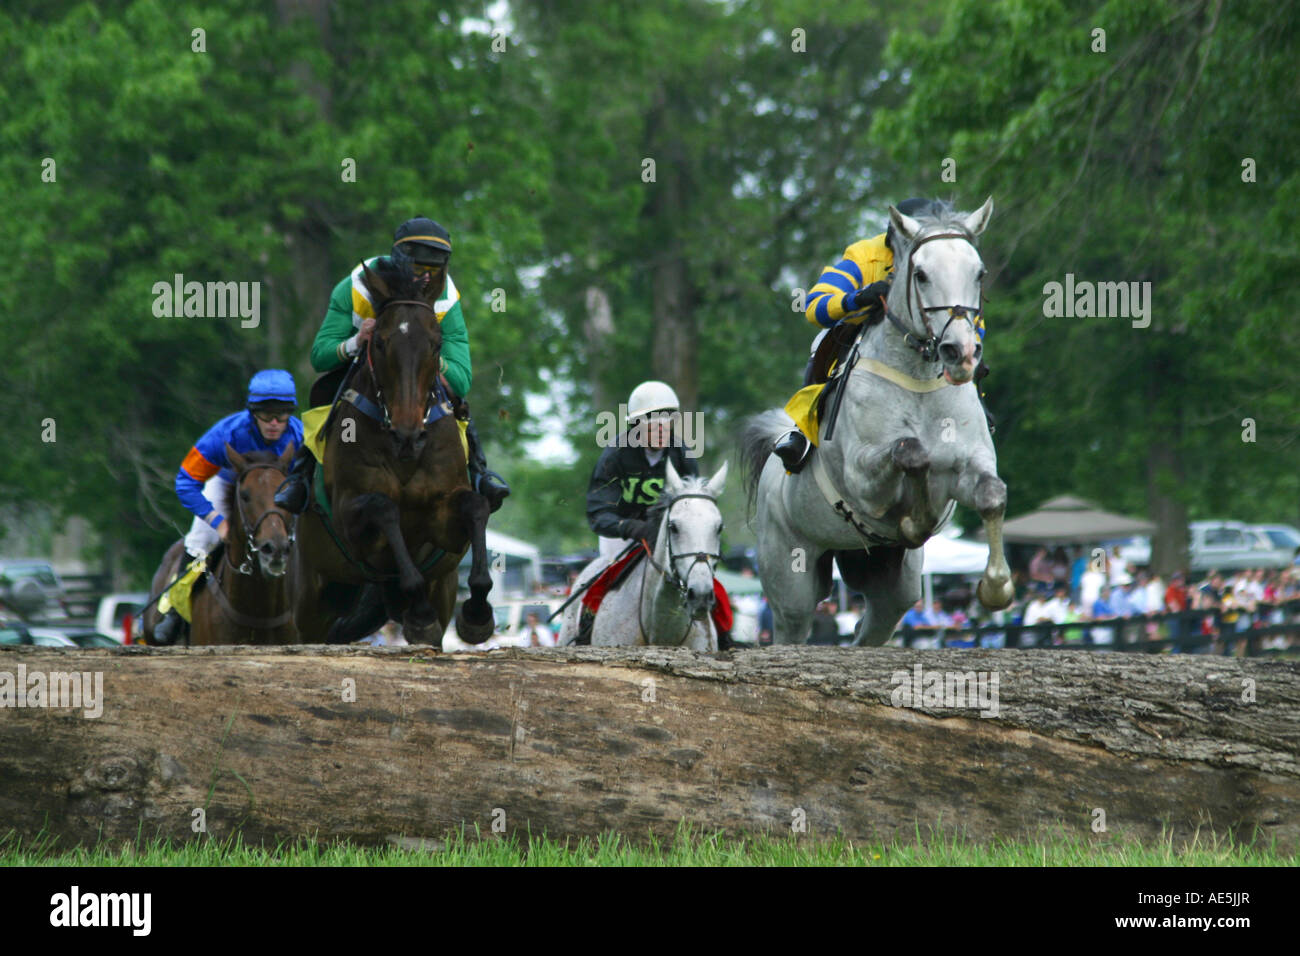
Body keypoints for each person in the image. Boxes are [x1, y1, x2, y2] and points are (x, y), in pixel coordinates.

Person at [274, 216, 509, 515]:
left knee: (458, 401)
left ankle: (479, 473)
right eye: (418, 268)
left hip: (419, 377)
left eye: (433, 270)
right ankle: (301, 476)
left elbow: (461, 380)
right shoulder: (356, 286)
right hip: (362, 374)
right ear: (399, 260)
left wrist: (425, 352)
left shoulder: (446, 300)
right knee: (324, 390)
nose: (426, 278)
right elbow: (320, 355)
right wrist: (357, 340)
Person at [773, 198, 992, 473]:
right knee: (821, 342)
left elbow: (970, 314)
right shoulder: (864, 255)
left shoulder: (946, 258)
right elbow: (815, 307)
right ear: (894, 236)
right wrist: (858, 298)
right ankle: (802, 432)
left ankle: (980, 413)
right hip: (866, 348)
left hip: (931, 344)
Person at [153, 370, 305, 645]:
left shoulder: (300, 435)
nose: (274, 423)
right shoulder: (227, 433)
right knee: (200, 540)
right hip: (228, 486)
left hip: (279, 493)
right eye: (266, 414)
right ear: (252, 413)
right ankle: (174, 613)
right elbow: (185, 482)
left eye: (281, 415)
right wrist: (219, 522)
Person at [574, 381, 731, 648]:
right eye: (652, 421)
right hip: (623, 537)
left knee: (707, 582)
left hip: (670, 536)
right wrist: (632, 528)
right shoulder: (616, 455)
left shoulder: (681, 452)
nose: (661, 428)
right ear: (636, 424)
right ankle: (584, 636)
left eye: (667, 420)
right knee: (599, 583)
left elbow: (693, 508)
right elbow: (598, 513)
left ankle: (725, 642)